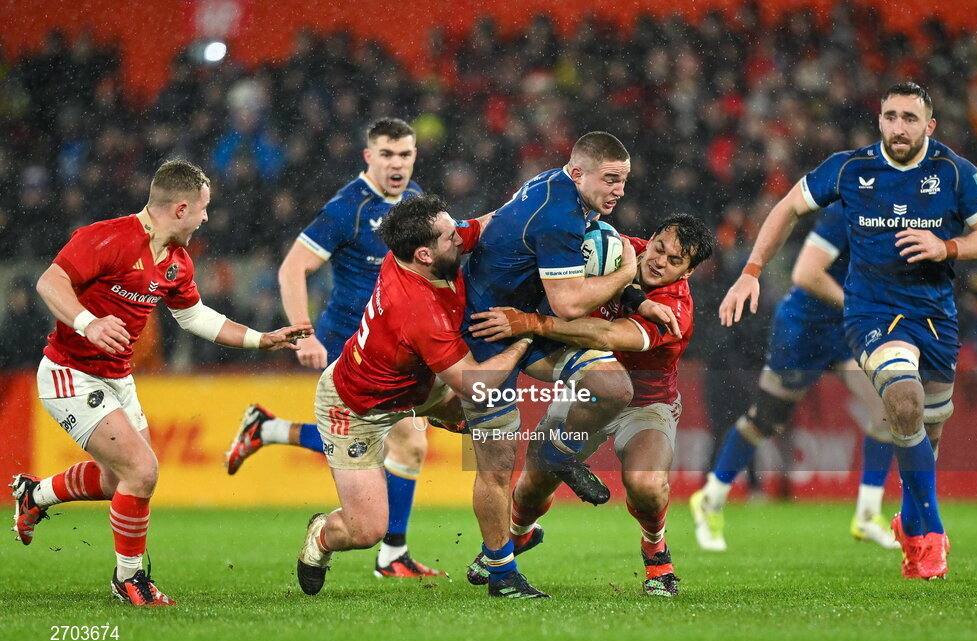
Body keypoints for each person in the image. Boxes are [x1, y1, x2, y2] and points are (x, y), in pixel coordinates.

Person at [718, 82, 977, 580]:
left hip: (935, 319)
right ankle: (931, 535)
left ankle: (911, 520)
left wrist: (949, 248)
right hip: (872, 314)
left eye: (910, 118)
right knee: (902, 399)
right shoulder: (850, 168)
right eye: (891, 117)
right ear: (880, 120)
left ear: (929, 126)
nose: (899, 127)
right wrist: (750, 270)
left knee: (924, 433)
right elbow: (788, 206)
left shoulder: (954, 172)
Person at [11, 159, 310, 606]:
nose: (207, 217)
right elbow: (49, 282)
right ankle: (128, 579)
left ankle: (36, 494)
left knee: (122, 481)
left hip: (117, 378)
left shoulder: (177, 262)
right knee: (142, 470)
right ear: (180, 208)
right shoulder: (107, 236)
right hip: (69, 374)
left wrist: (260, 339)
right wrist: (88, 322)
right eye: (203, 209)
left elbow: (194, 317)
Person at [457, 131, 680, 596]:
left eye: (625, 180)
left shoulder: (556, 186)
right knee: (494, 464)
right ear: (578, 173)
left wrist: (635, 298)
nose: (619, 190)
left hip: (529, 323)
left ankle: (559, 450)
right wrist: (627, 273)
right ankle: (501, 572)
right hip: (489, 330)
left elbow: (502, 224)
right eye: (611, 179)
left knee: (614, 389)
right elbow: (570, 304)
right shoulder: (559, 217)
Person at [224, 118, 446, 578]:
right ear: (369, 157)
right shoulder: (349, 208)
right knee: (400, 440)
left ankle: (266, 430)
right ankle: (391, 554)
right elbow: (291, 269)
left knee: (402, 444)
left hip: (396, 349)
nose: (397, 164)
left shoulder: (415, 201)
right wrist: (303, 333)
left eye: (405, 155)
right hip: (348, 345)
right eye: (387, 154)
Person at [294, 194, 535, 598]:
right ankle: (321, 535)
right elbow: (474, 383)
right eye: (448, 236)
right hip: (355, 407)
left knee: (492, 429)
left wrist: (545, 190)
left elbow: (492, 219)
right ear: (424, 254)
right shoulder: (417, 309)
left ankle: (514, 529)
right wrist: (525, 335)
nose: (458, 238)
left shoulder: (412, 253)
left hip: (415, 386)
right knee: (366, 530)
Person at [468, 213, 715, 597]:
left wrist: (532, 323)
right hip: (588, 390)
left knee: (646, 484)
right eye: (659, 247)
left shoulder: (676, 310)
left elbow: (606, 333)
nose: (659, 260)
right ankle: (515, 537)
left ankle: (656, 553)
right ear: (649, 238)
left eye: (674, 260)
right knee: (533, 484)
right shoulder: (617, 250)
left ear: (689, 272)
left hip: (645, 404)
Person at [690, 203, 900, 552]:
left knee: (886, 410)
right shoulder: (840, 220)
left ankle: (867, 513)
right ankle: (711, 498)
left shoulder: (891, 226)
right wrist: (859, 306)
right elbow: (806, 275)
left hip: (844, 331)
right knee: (765, 421)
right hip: (803, 331)